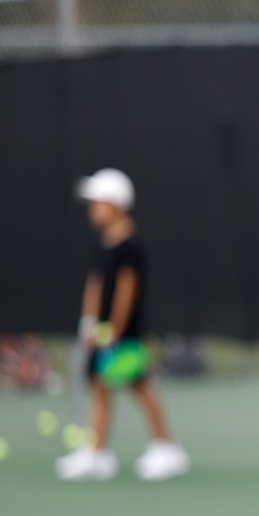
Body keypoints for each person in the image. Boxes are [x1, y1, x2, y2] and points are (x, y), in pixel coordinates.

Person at [55, 168, 190, 482]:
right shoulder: (102, 244)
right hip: (102, 333)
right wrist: (89, 323)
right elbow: (96, 284)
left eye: (97, 202)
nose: (92, 209)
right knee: (100, 387)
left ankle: (166, 449)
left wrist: (114, 330)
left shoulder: (132, 245)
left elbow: (126, 291)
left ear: (115, 204)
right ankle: (97, 453)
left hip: (124, 334)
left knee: (139, 386)